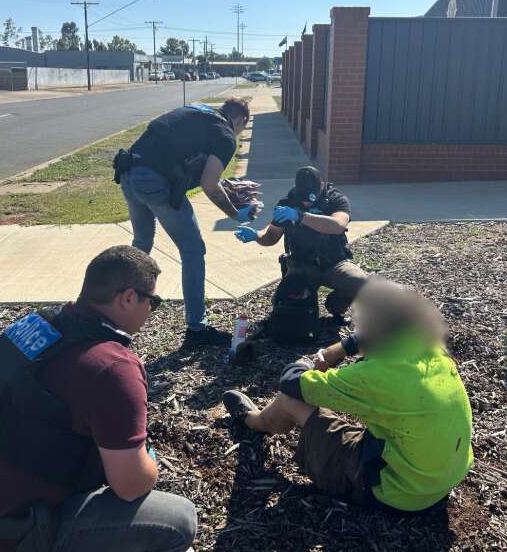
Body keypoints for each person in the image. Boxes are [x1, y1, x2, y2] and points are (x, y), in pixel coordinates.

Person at [0, 246, 197, 552]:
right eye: (153, 302)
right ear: (128, 297)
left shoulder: (35, 326)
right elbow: (131, 485)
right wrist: (150, 459)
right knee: (179, 520)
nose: (152, 312)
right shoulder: (112, 367)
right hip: (12, 534)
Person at [222, 278, 474, 513]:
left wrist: (312, 361)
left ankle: (253, 421)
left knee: (290, 401)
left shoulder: (379, 374)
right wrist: (341, 349)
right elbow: (362, 340)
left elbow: (291, 382)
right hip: (441, 479)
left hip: (398, 494)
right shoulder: (430, 347)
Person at [114, 98, 252, 347]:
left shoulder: (200, 112)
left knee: (142, 242)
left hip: (128, 171)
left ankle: (114, 310)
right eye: (243, 127)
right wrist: (235, 214)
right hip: (153, 179)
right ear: (240, 120)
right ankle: (197, 328)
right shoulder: (225, 134)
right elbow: (210, 184)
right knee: (193, 250)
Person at [234, 165, 367, 325]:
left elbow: (338, 225)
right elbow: (271, 237)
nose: (305, 202)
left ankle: (335, 308)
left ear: (321, 186)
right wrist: (256, 236)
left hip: (333, 263)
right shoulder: (287, 204)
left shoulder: (335, 199)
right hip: (301, 266)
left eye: (310, 197)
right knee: (283, 306)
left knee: (360, 282)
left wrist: (300, 216)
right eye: (302, 197)